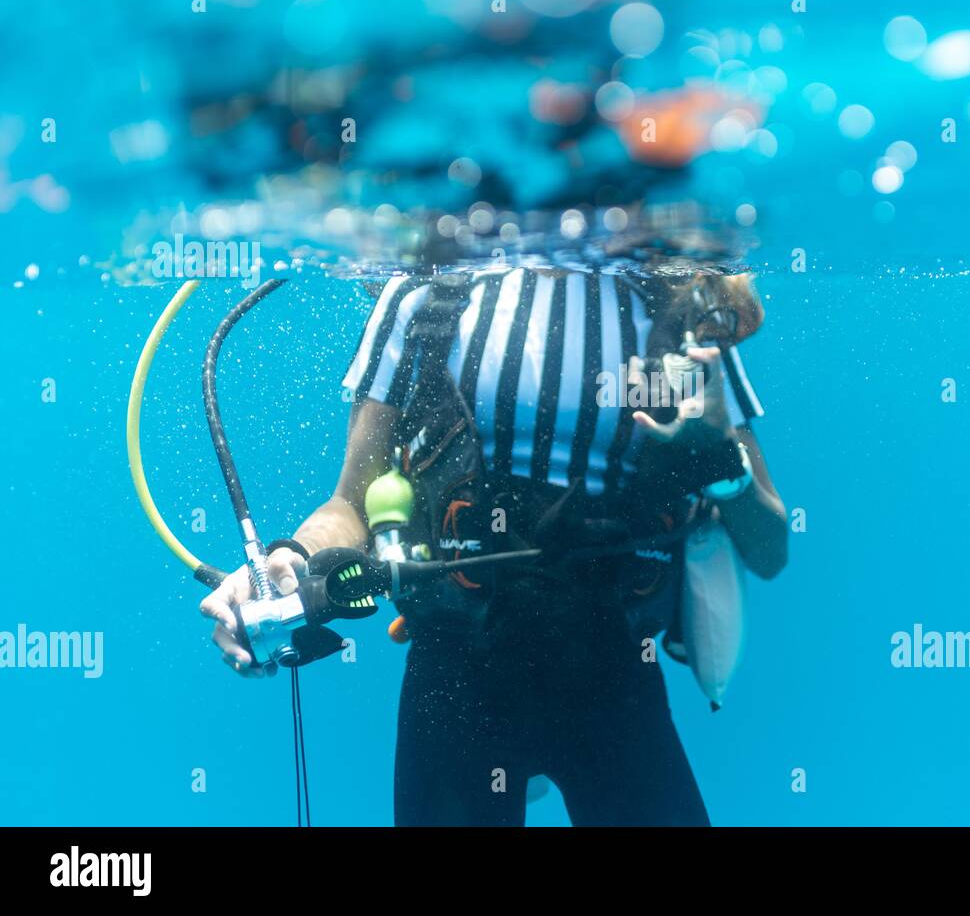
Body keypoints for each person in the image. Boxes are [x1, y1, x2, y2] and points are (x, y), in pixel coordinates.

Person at [200, 224, 787, 825]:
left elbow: (770, 548)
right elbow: (348, 505)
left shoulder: (679, 319)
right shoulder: (427, 300)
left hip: (614, 673)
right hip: (456, 673)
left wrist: (720, 465)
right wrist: (291, 559)